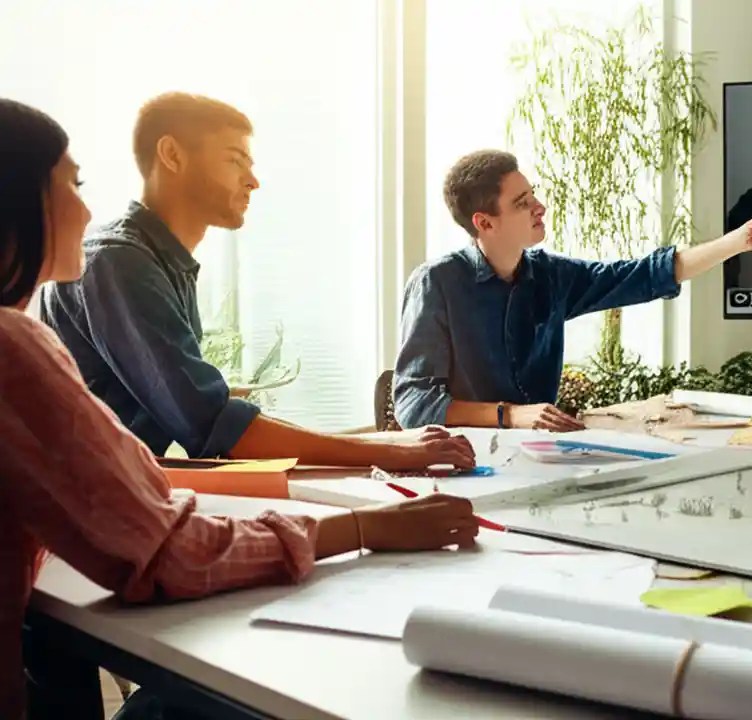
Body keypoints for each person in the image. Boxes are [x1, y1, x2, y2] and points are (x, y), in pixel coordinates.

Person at [0, 98, 479, 720]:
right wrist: (369, 520)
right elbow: (180, 508)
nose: (85, 207)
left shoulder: (156, 269)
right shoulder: (60, 305)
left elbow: (137, 453)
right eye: (71, 182)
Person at [39, 92, 474, 471]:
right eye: (235, 160)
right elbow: (212, 425)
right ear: (171, 155)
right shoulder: (120, 262)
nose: (253, 180)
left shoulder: (162, 262)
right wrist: (390, 450)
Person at [393, 149, 752, 431]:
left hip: (539, 457)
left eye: (533, 193)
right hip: (464, 467)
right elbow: (414, 405)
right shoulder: (437, 284)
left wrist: (738, 242)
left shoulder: (549, 276)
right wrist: (511, 416)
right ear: (485, 222)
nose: (540, 206)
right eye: (522, 202)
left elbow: (641, 275)